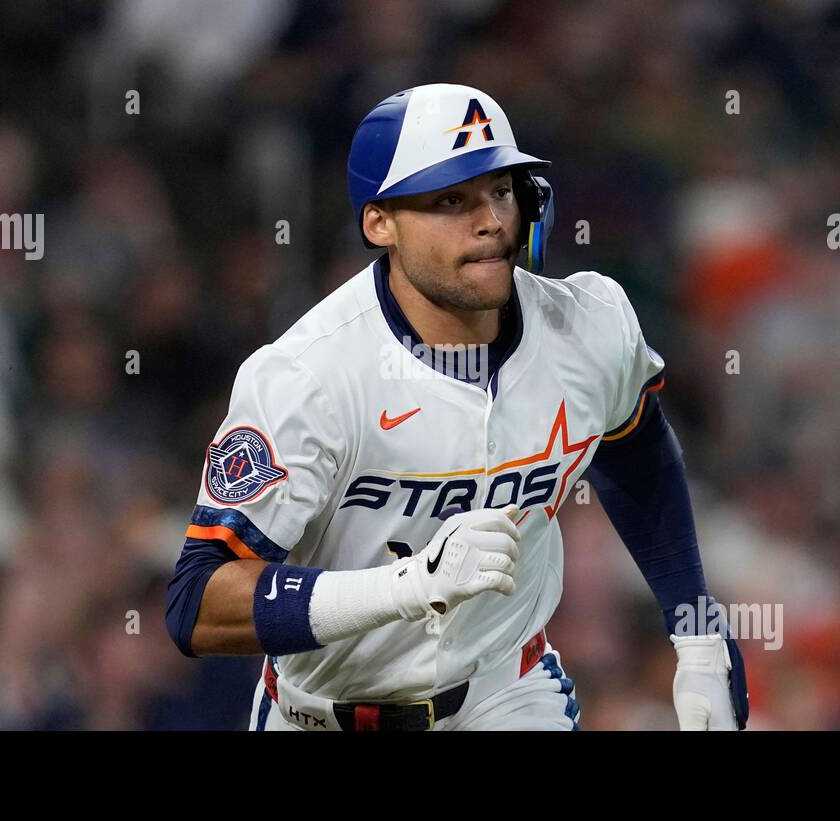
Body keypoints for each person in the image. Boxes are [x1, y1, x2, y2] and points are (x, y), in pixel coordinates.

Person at [165, 83, 748, 731]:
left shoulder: (591, 324)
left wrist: (695, 631)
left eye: (501, 190)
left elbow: (635, 450)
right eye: (450, 198)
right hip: (320, 715)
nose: (491, 220)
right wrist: (410, 585)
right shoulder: (308, 376)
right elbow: (198, 604)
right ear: (379, 222)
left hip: (506, 692)